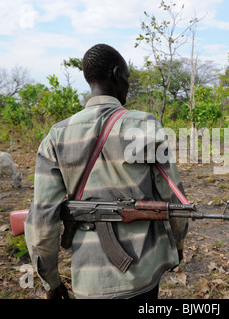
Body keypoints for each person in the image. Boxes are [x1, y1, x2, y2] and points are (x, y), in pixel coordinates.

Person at [25, 43, 188, 299]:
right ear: (116, 75)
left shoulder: (57, 135)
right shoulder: (145, 125)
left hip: (89, 280)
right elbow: (174, 198)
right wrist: (177, 245)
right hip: (143, 272)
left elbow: (41, 219)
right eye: (127, 78)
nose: (128, 85)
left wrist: (51, 282)